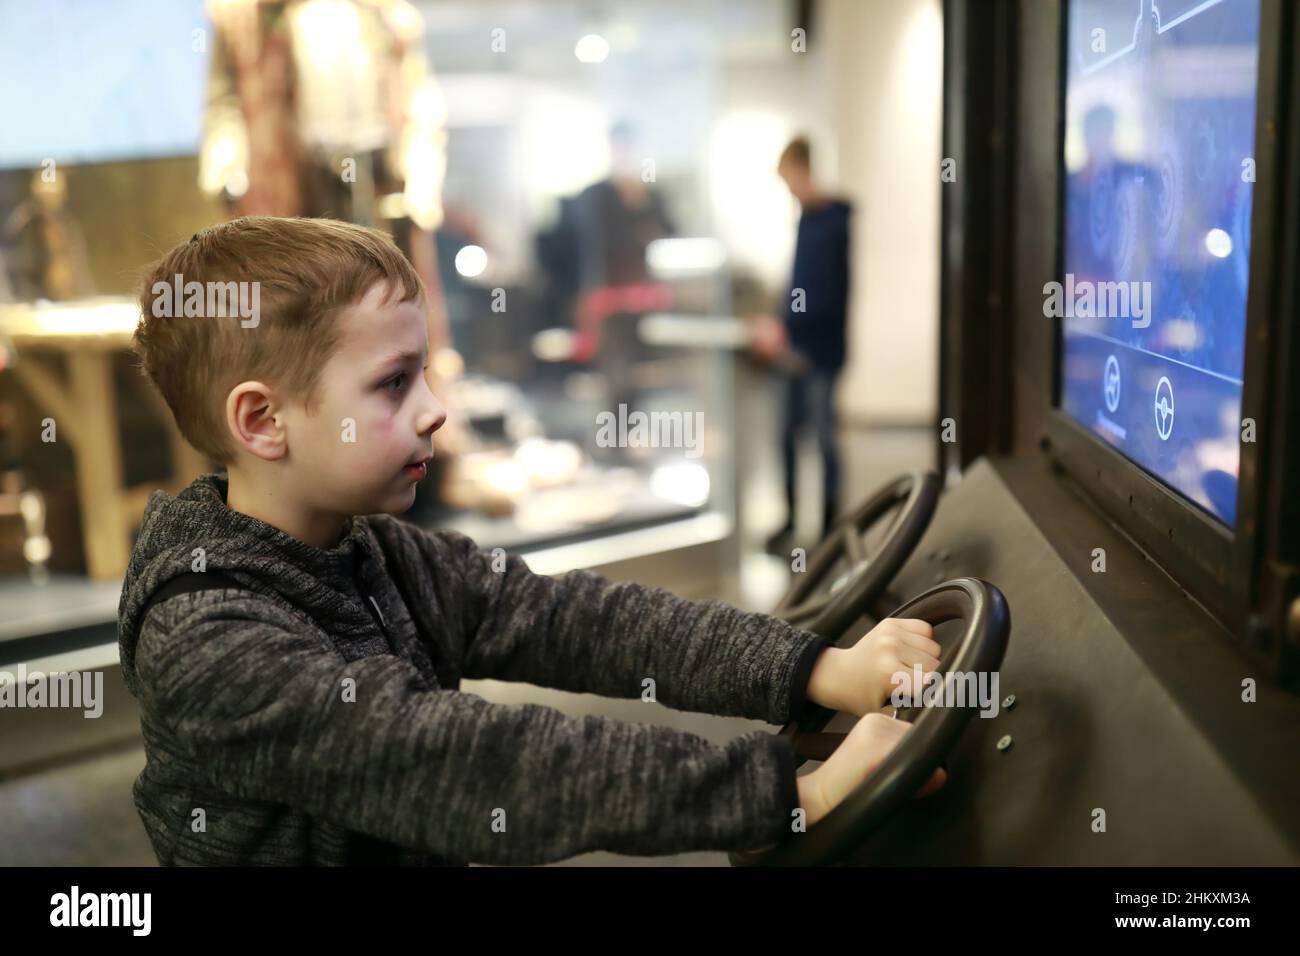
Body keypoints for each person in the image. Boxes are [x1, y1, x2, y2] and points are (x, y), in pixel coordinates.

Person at [119, 215, 943, 865]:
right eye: (394, 382)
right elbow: (466, 765)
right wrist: (794, 796)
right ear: (264, 421)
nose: (436, 409)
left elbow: (582, 623)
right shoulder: (206, 640)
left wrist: (818, 668)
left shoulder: (382, 551)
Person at [761, 137, 852, 555]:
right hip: (796, 349)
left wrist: (788, 325)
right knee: (787, 436)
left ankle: (832, 527)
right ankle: (794, 520)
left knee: (823, 438)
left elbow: (826, 296)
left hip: (820, 350)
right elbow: (798, 288)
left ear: (803, 170)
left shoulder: (833, 223)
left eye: (789, 180)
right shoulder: (806, 221)